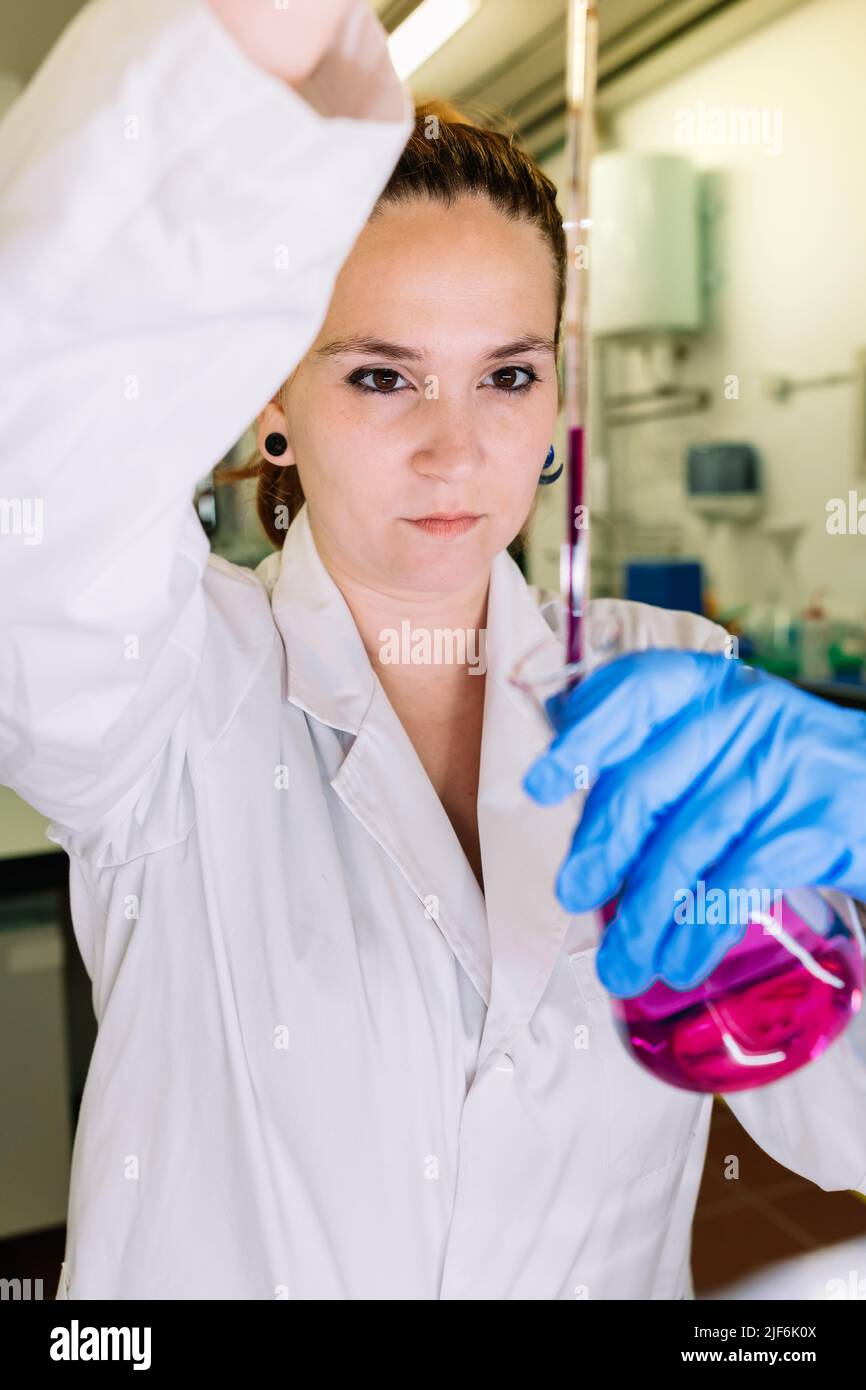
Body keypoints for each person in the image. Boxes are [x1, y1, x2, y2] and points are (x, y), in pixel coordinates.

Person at [2, 0, 866, 1302]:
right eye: (379, 377)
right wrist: (239, 53)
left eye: (506, 376)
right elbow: (34, 482)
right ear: (274, 404)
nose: (454, 450)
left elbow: (832, 1112)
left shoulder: (674, 682)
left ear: (555, 402)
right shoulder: (170, 694)